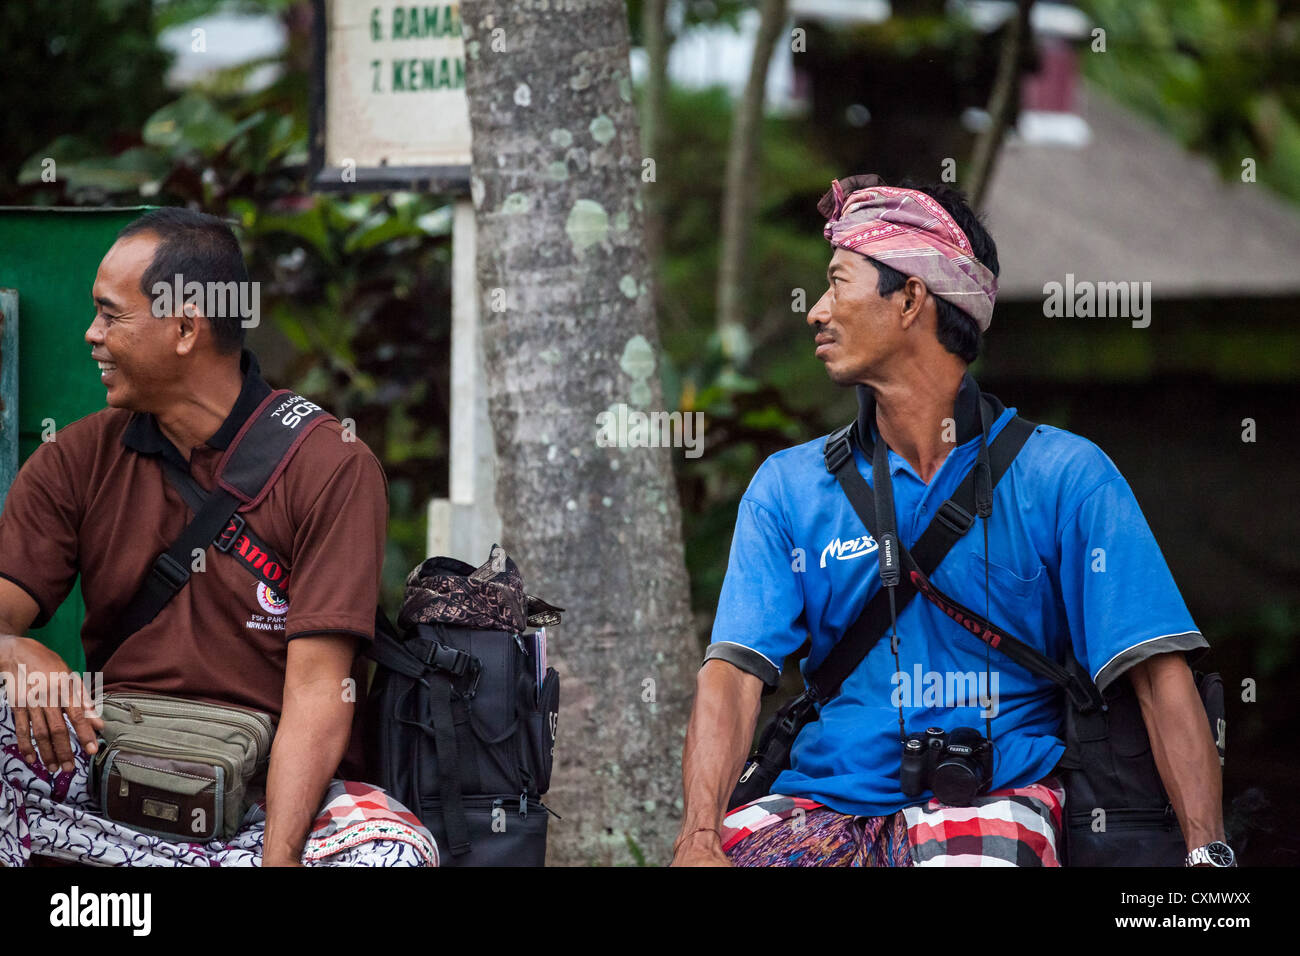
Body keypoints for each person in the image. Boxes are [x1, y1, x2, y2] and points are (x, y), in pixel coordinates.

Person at [672, 175, 1231, 867]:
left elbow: (1159, 674)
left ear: (910, 297)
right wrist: (698, 838)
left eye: (839, 283)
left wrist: (1209, 860)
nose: (816, 311)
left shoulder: (1066, 476)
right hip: (821, 798)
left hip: (999, 800)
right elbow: (732, 673)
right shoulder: (788, 488)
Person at [0, 208, 436, 867]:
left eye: (110, 315)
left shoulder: (329, 466)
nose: (91, 335)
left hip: (267, 806)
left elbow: (319, 694)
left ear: (183, 327)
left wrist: (281, 858)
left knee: (396, 852)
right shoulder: (77, 457)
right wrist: (12, 650)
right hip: (108, 778)